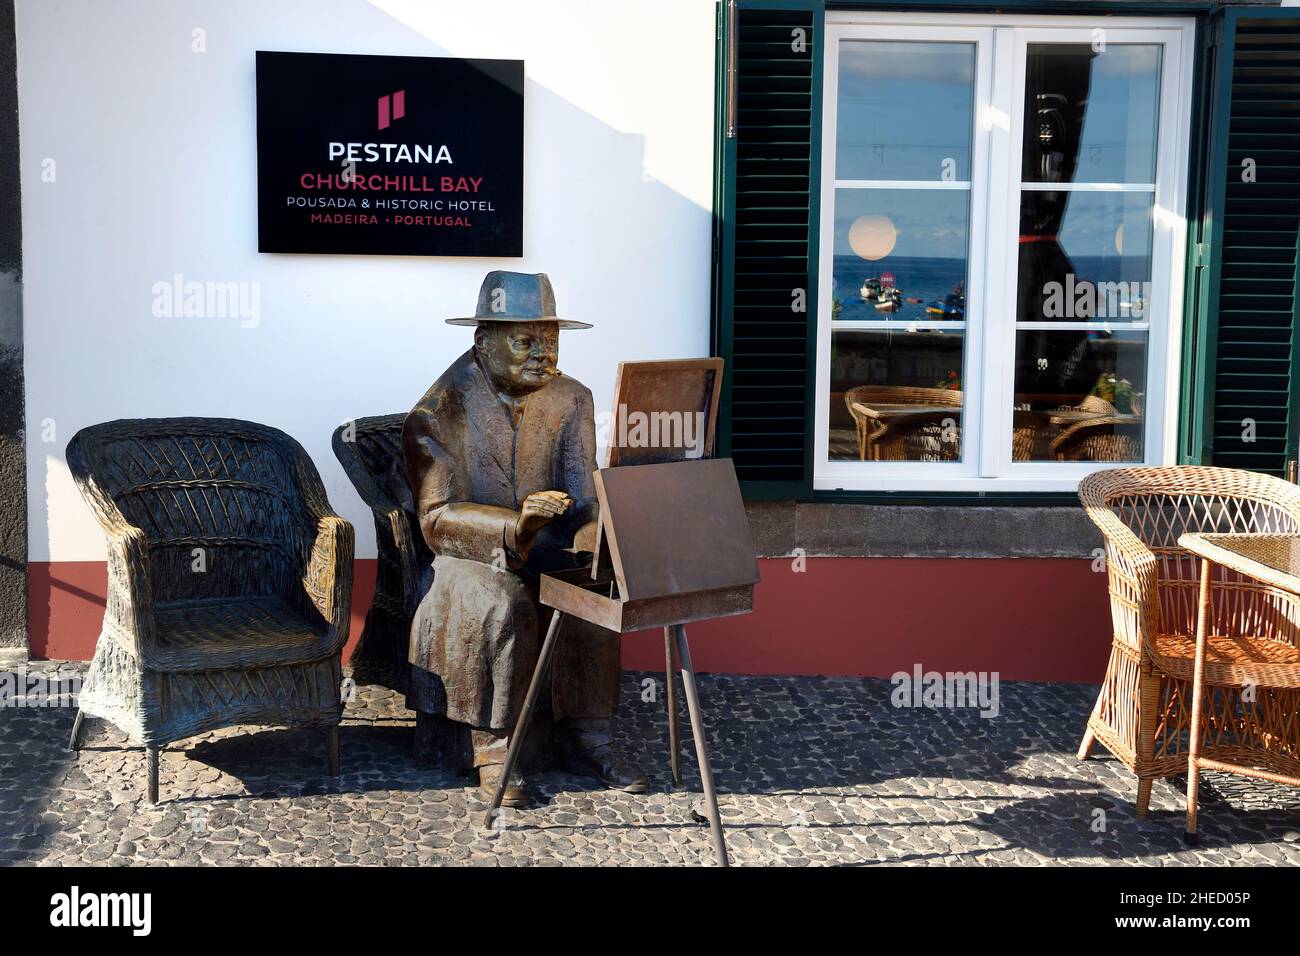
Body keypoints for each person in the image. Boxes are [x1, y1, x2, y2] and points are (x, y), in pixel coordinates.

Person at [402, 271, 647, 807]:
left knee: (596, 586)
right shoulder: (438, 413)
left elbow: (583, 496)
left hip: (548, 547)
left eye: (551, 340)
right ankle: (493, 749)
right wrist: (516, 526)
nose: (543, 353)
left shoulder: (572, 399)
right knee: (501, 600)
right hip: (467, 556)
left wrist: (600, 538)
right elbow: (436, 519)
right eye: (526, 340)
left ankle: (588, 736)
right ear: (483, 340)